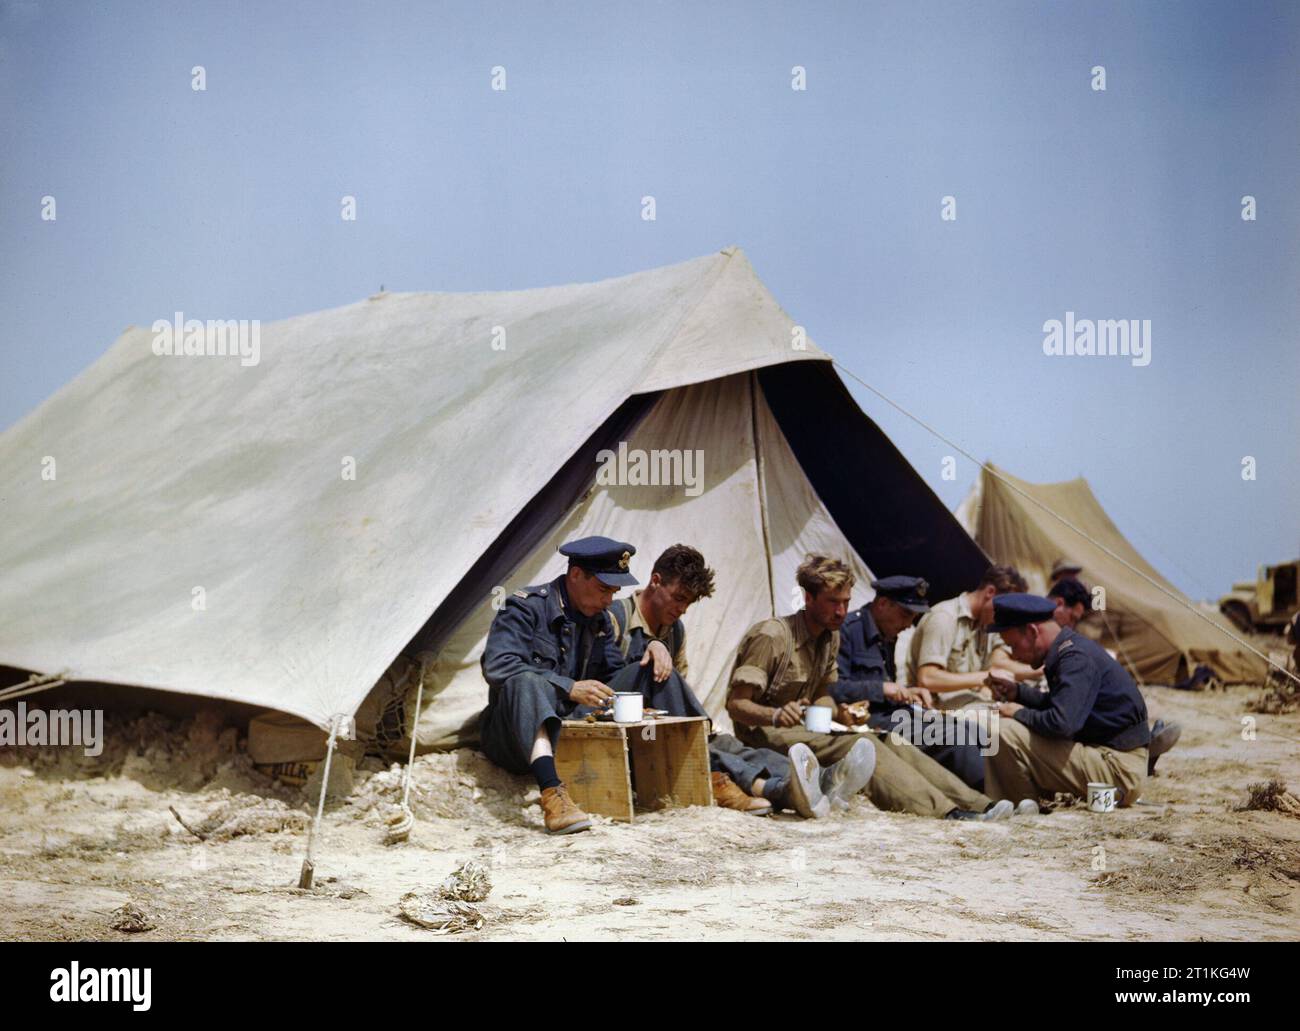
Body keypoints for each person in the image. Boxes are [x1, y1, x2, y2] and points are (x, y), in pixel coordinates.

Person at [726, 554, 1026, 821]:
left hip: (806, 727)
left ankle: (980, 805)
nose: (842, 611)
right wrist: (776, 715)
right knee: (862, 746)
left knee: (886, 739)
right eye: (833, 602)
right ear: (808, 598)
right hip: (763, 734)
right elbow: (736, 707)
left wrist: (841, 715)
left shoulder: (829, 638)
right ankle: (946, 812)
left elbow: (822, 696)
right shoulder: (773, 636)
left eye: (845, 602)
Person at [607, 544, 865, 819]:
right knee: (698, 744)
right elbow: (596, 689)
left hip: (660, 726)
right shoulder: (615, 618)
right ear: (656, 581)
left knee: (728, 744)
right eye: (678, 598)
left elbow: (677, 687)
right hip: (623, 733)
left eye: (688, 602)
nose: (682, 609)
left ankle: (818, 779)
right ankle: (778, 789)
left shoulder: (675, 631)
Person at [477, 536, 673, 835]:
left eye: (614, 592)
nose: (609, 600)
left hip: (568, 727)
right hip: (512, 737)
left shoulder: (599, 620)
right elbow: (497, 666)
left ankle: (712, 767)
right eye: (603, 589)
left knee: (649, 670)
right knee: (526, 680)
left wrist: (655, 646)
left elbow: (616, 675)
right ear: (576, 575)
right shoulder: (523, 607)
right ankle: (553, 793)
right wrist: (568, 687)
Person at [985, 594, 1150, 806]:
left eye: (1014, 645)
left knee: (1002, 732)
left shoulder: (1075, 659)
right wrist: (1018, 693)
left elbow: (1061, 723)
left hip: (1118, 773)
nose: (1014, 655)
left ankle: (1022, 806)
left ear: (1033, 631)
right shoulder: (1071, 649)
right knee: (1011, 727)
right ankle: (1028, 800)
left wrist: (1017, 712)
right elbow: (1061, 704)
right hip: (1116, 762)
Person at [834, 576, 988, 789]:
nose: (908, 625)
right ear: (882, 604)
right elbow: (832, 688)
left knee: (972, 728)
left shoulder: (887, 634)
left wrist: (909, 691)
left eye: (913, 617)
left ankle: (1004, 792)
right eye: (905, 614)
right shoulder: (846, 630)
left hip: (892, 714)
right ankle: (988, 797)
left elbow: (887, 684)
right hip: (867, 722)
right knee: (956, 737)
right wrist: (882, 689)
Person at [1046, 578, 1181, 775]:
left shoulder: (1059, 633)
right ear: (1058, 603)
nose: (1073, 624)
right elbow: (1004, 661)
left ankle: (1137, 749)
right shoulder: (1035, 624)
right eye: (1073, 618)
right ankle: (1138, 753)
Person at [906, 564, 1040, 703]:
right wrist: (985, 677)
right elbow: (927, 679)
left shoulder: (987, 624)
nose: (1007, 616)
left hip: (968, 700)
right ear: (990, 592)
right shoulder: (945, 617)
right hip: (934, 704)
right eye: (1006, 607)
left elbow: (997, 663)